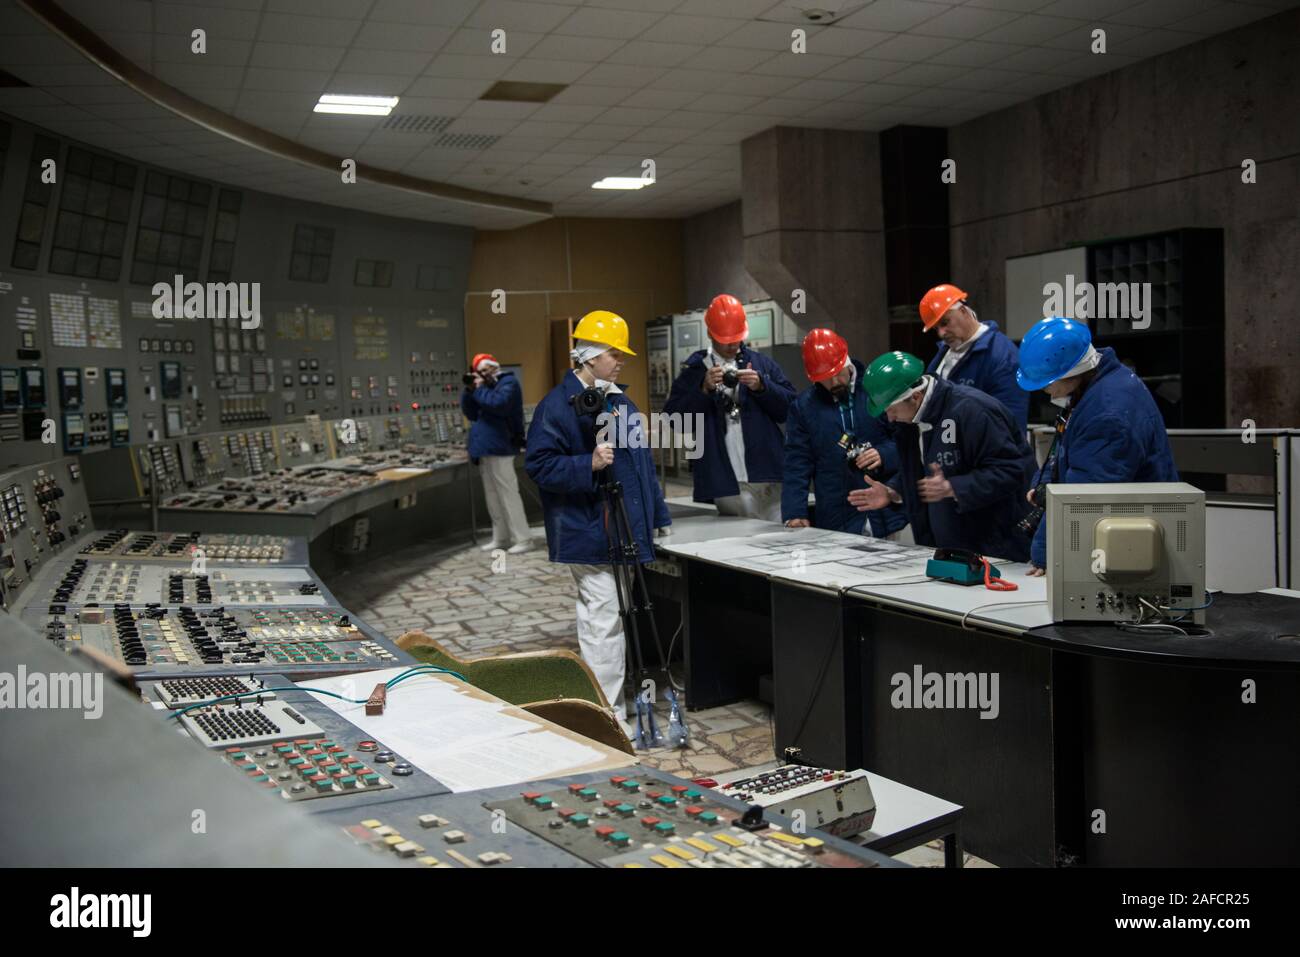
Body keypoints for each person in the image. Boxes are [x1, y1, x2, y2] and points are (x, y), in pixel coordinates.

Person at [525, 310, 671, 729]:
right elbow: (538, 465)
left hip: (622, 529)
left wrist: (656, 517)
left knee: (611, 621)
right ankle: (609, 721)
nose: (622, 360)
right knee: (602, 624)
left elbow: (641, 465)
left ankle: (610, 711)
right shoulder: (557, 406)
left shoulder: (619, 401)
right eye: (614, 353)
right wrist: (586, 462)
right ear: (589, 356)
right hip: (587, 531)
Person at [1015, 316, 1179, 576]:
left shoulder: (1107, 413)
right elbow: (1065, 451)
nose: (1047, 392)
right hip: (1114, 538)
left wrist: (1045, 554)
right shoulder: (1093, 387)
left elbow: (1083, 498)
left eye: (1047, 384)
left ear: (1071, 372)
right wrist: (1043, 483)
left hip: (1131, 548)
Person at [848, 351, 1036, 562]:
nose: (890, 418)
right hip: (947, 547)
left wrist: (953, 488)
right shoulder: (908, 422)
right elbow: (921, 471)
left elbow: (1011, 470)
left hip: (994, 547)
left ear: (916, 397)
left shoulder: (973, 410)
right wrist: (894, 492)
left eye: (891, 409)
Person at [663, 294, 796, 522]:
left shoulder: (761, 364)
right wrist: (703, 390)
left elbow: (790, 409)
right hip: (725, 479)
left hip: (769, 474)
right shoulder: (694, 371)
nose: (733, 345)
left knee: (778, 541)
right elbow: (674, 420)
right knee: (741, 543)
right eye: (726, 340)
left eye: (737, 338)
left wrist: (763, 386)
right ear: (710, 334)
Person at [782, 328, 907, 538]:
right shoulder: (803, 408)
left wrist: (883, 454)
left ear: (846, 362)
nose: (834, 383)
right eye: (825, 378)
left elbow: (906, 441)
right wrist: (795, 512)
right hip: (835, 515)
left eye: (837, 374)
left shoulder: (875, 390)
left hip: (884, 512)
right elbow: (797, 463)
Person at [919, 283, 1028, 433]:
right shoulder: (943, 353)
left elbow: (1010, 424)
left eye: (945, 322)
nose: (941, 333)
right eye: (936, 328)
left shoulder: (1003, 356)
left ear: (963, 311)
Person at [460, 352, 531, 553]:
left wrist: (479, 389)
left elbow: (498, 405)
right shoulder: (483, 389)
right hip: (484, 447)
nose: (481, 375)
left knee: (508, 493)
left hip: (501, 446)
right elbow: (471, 412)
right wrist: (469, 390)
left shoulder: (508, 383)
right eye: (478, 372)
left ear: (494, 367)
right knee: (492, 496)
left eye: (484, 370)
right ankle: (501, 537)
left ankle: (523, 538)